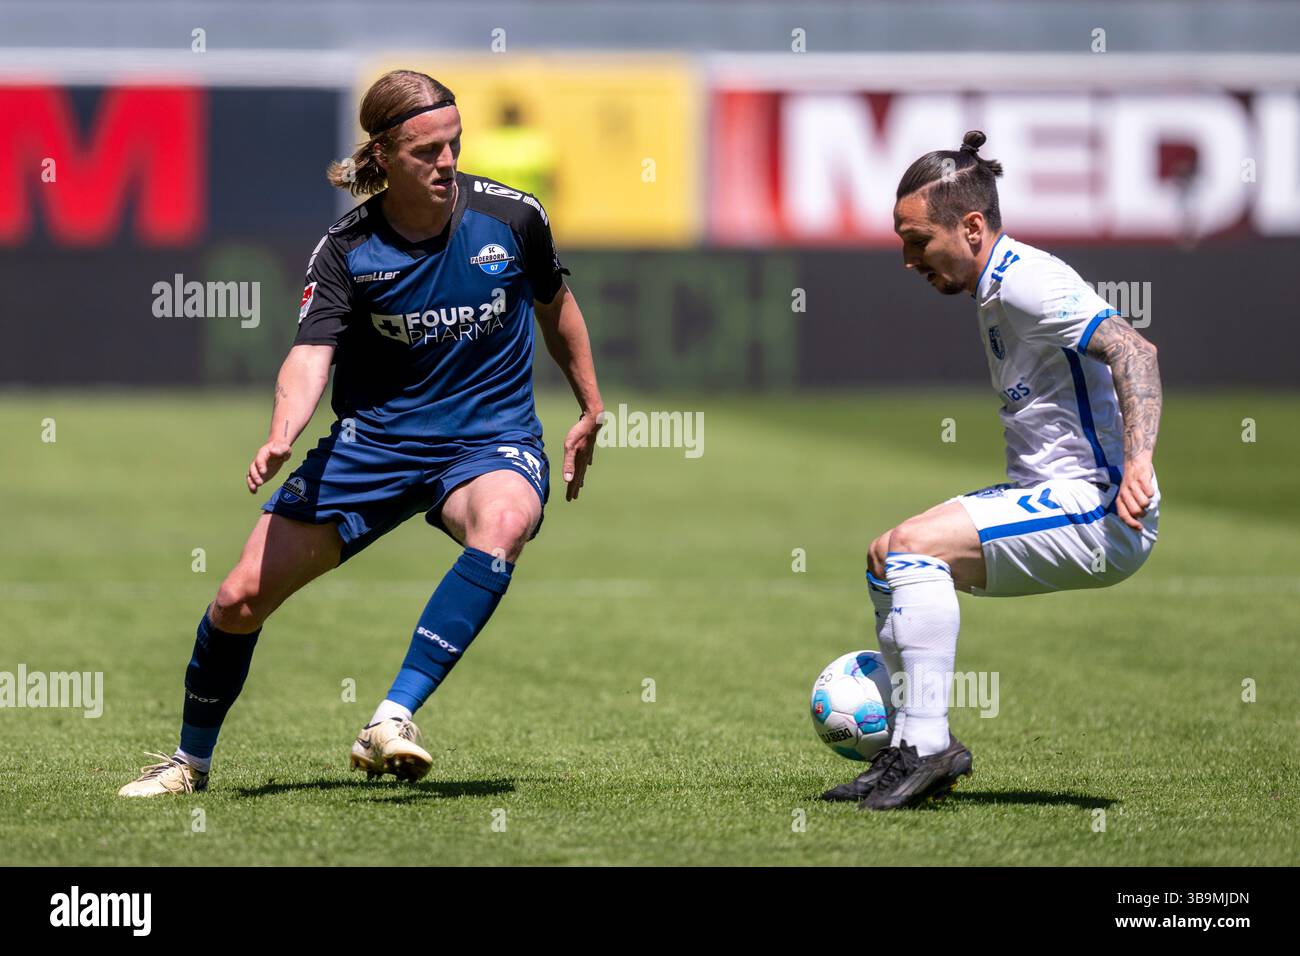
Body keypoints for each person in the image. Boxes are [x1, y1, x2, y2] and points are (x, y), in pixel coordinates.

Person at [119, 69, 604, 796]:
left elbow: (555, 303)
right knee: (237, 600)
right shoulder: (347, 248)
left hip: (487, 440)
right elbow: (310, 354)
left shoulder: (514, 218)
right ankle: (189, 764)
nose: (447, 163)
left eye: (454, 144)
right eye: (426, 152)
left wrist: (590, 408)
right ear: (383, 155)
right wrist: (284, 431)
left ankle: (391, 718)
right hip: (374, 445)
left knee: (504, 522)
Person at [823, 130, 1162, 811]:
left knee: (916, 552)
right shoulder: (994, 285)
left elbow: (1135, 351)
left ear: (972, 227)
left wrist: (1138, 462)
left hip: (1100, 508)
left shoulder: (1029, 284)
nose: (907, 258)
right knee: (886, 554)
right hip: (1051, 495)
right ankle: (907, 748)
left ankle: (927, 747)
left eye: (917, 240)